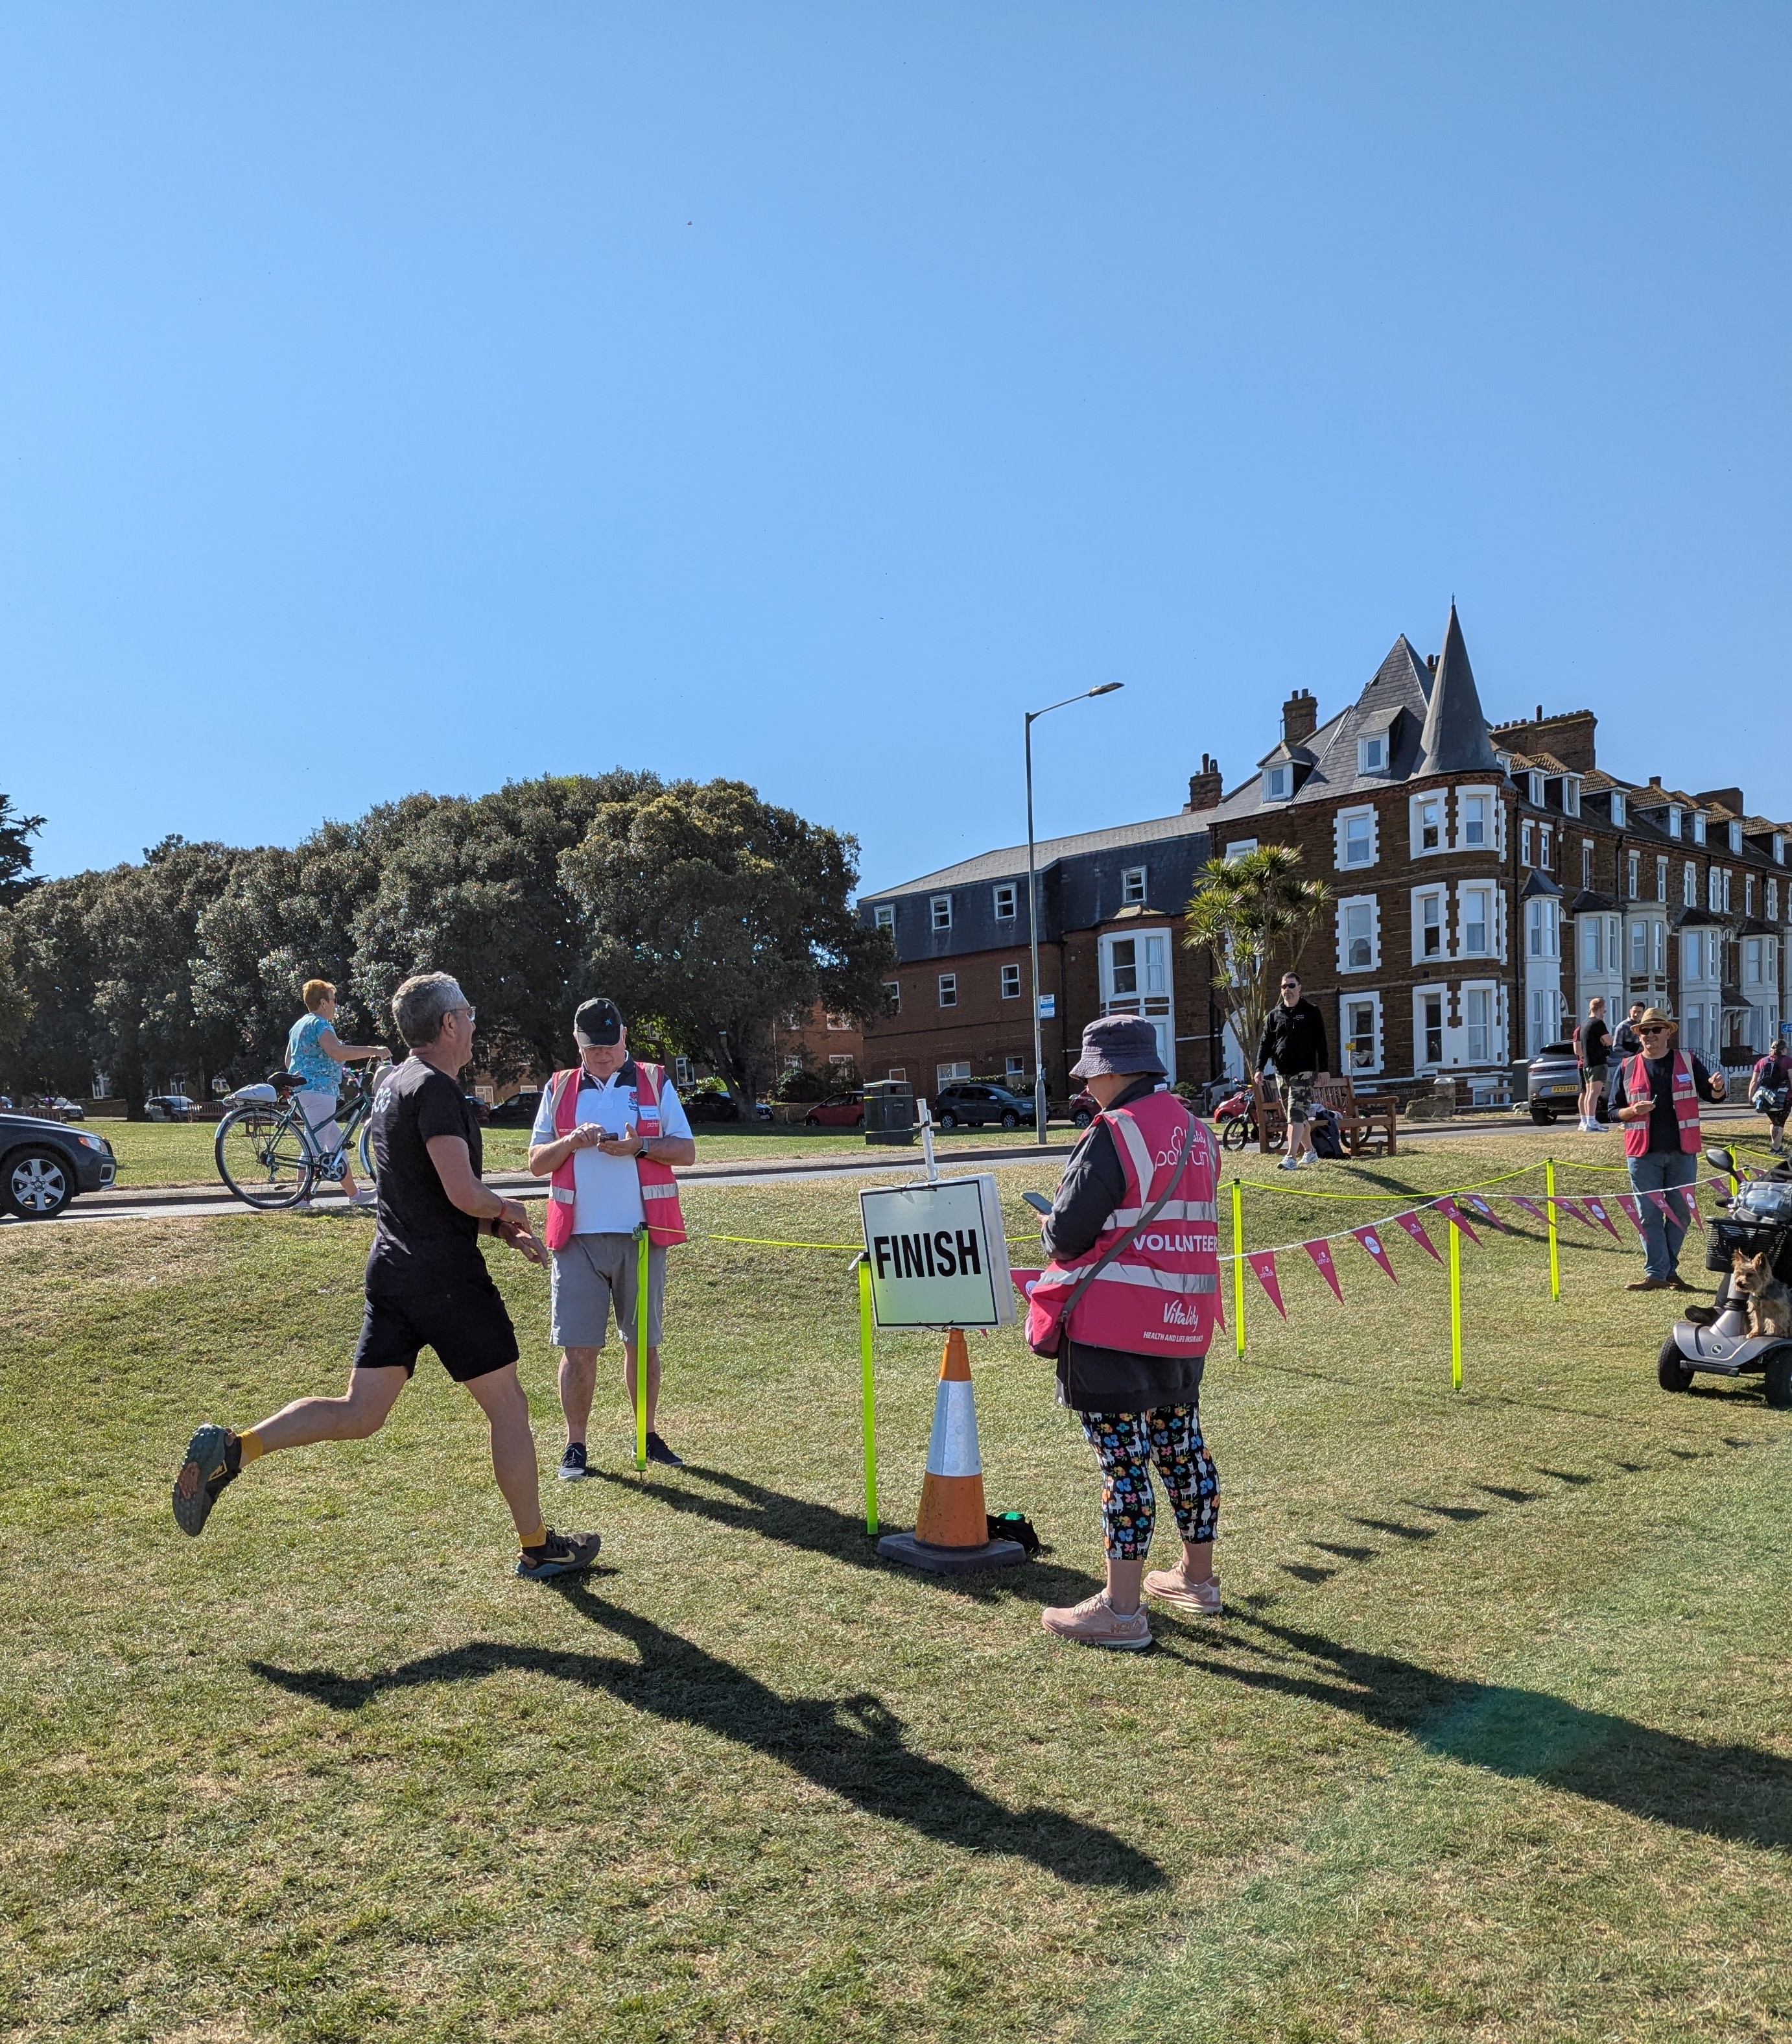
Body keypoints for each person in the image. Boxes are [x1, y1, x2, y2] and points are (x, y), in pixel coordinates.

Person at [173, 971, 602, 1582]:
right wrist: (506, 1209)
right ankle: (537, 1547)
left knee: (360, 1413)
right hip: (445, 1278)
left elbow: (422, 1192)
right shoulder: (437, 1092)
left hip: (394, 1269)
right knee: (508, 1406)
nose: (475, 1022)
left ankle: (236, 1449)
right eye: (469, 1012)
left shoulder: (392, 1084)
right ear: (449, 1024)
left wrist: (494, 1228)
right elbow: (460, 1189)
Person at [1028, 1016, 1221, 1651]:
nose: (1088, 1086)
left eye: (1090, 1074)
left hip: (1114, 1325)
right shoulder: (1199, 1132)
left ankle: (1121, 1608)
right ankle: (1197, 1578)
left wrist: (1049, 1227)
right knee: (1181, 1445)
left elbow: (1066, 1233)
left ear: (1107, 1069)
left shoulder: (1114, 1132)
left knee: (1123, 1464)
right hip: (1184, 1320)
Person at [528, 998, 696, 1475]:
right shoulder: (559, 1087)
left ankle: (646, 1434)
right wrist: (571, 1142)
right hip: (576, 1239)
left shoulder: (654, 1080)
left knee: (642, 1345)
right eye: (592, 1048)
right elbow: (537, 1162)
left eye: (610, 1045)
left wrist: (640, 1147)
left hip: (642, 1236)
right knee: (577, 1349)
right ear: (577, 1044)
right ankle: (575, 1445)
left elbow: (686, 1151)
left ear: (624, 1035)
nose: (603, 1055)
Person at [1607, 1006, 1727, 1292]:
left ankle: (1667, 1271)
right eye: (1645, 1031)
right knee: (1648, 1214)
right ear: (1639, 1036)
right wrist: (1632, 1111)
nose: (1650, 1035)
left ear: (1667, 1033)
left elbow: (1713, 1097)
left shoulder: (1687, 1060)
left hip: (1683, 1151)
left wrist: (1718, 1087)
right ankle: (1656, 1273)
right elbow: (1611, 1111)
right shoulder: (1627, 1067)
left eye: (1656, 1030)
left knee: (1681, 1213)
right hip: (1642, 1153)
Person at [285, 979, 387, 1206]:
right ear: (323, 1002)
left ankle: (355, 1195)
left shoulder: (299, 1026)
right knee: (313, 1148)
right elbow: (336, 1051)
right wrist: (374, 1050)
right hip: (320, 1092)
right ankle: (300, 1199)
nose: (335, 1006)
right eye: (333, 1001)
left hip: (302, 1092)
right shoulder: (321, 1025)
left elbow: (289, 1060)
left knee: (336, 1144)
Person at [1255, 971, 1328, 1170]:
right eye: (1284, 987)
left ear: (1299, 988)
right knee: (1297, 1117)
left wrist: (1324, 1070)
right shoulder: (1274, 1015)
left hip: (1304, 1072)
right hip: (1282, 1073)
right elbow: (1265, 1044)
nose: (1287, 990)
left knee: (1295, 1115)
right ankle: (1311, 1152)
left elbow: (1321, 1042)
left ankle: (1290, 1157)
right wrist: (1259, 1068)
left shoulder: (1311, 1012)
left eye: (1291, 986)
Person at [1751, 1036, 1792, 1156]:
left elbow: (1754, 1081)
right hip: (1784, 1096)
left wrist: (1750, 1096)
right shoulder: (1788, 1061)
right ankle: (1776, 1149)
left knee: (1773, 1121)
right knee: (1780, 1123)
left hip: (1765, 1096)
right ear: (1783, 1050)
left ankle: (1775, 1146)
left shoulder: (1762, 1061)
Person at [1575, 996, 1611, 1133]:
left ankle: (1586, 1121)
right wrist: (1604, 1041)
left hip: (1587, 1063)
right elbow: (1609, 1041)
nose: (1604, 1012)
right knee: (1594, 1094)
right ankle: (1591, 1122)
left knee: (1588, 1093)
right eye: (1604, 1010)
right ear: (1601, 1008)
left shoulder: (1584, 1024)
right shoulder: (1598, 1023)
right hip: (1597, 1062)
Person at [1610, 1001, 1646, 1065]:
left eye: (1639, 1012)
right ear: (1630, 1011)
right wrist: (1633, 1055)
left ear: (1643, 1012)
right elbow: (1616, 1048)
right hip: (1628, 1062)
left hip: (1643, 1061)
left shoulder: (1643, 1026)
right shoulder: (1623, 1026)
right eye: (1634, 1011)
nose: (1636, 1014)